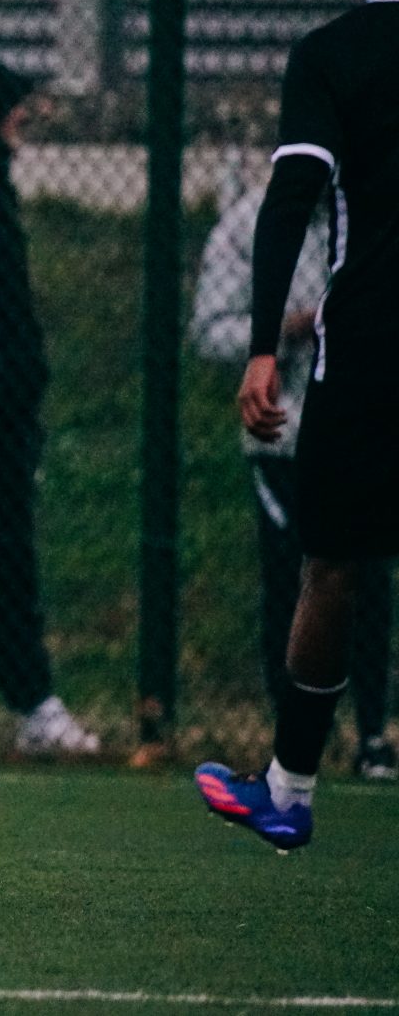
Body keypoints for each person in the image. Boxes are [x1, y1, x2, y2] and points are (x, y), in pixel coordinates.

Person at [197, 0, 399, 850]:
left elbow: (291, 197)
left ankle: (287, 788)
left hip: (367, 341)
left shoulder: (328, 54)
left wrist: (259, 349)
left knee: (331, 567)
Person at [191, 164, 393, 780]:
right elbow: (210, 333)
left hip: (362, 428)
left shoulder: (375, 209)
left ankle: (373, 736)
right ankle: (294, 749)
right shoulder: (252, 222)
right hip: (286, 440)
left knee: (372, 581)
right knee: (294, 579)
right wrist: (289, 328)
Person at [0, 54, 101, 757]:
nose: (26, 117)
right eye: (13, 104)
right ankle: (25, 702)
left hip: (3, 409)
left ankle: (16, 701)